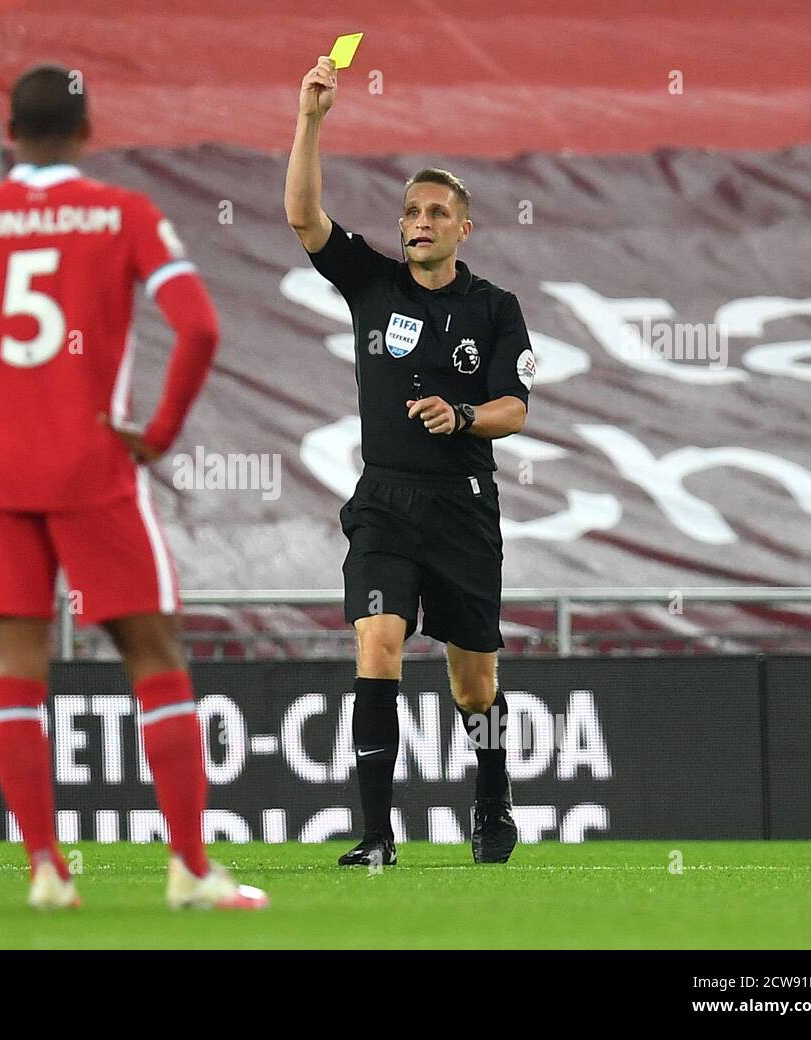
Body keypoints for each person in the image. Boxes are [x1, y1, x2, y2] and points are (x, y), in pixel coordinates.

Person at [0, 64, 267, 911]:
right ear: (86, 129)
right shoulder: (123, 215)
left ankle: (45, 869)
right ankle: (187, 867)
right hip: (95, 473)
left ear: (9, 129)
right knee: (154, 656)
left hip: (1, 475)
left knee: (16, 672)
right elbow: (199, 325)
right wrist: (159, 434)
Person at [284, 55, 535, 866]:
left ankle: (491, 799)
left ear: (465, 228)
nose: (418, 222)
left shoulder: (496, 309)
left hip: (463, 504)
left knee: (474, 687)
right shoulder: (373, 286)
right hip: (386, 503)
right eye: (410, 211)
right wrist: (312, 118)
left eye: (436, 212)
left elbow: (514, 410)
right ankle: (377, 837)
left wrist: (461, 413)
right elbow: (302, 216)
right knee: (377, 643)